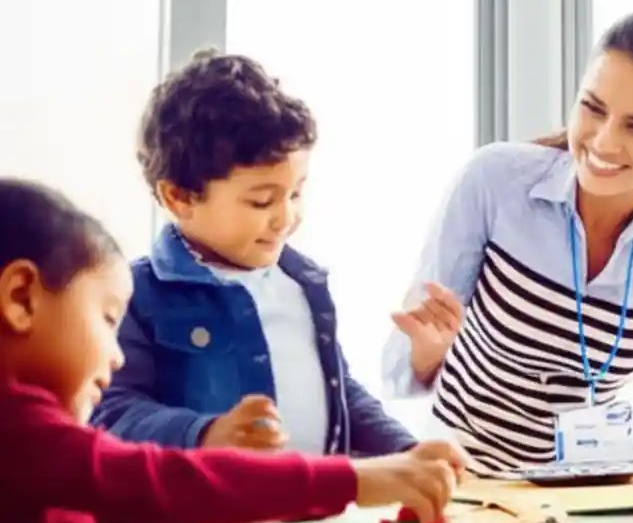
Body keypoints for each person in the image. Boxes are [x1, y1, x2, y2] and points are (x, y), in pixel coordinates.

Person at [0, 179, 463, 523]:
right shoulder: (16, 428)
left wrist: (398, 456)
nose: (115, 354)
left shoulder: (299, 286)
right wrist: (356, 480)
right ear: (21, 298)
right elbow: (160, 481)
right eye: (106, 319)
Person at [382, 10, 633, 476]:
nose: (604, 141)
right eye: (593, 108)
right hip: (462, 478)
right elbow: (403, 366)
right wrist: (427, 352)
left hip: (589, 494)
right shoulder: (496, 180)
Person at [91, 51, 415, 455]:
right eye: (262, 202)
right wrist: (206, 433)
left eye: (296, 193)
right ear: (178, 197)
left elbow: (342, 396)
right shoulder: (133, 296)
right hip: (206, 515)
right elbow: (112, 414)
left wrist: (407, 451)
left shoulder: (303, 285)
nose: (287, 217)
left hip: (318, 511)